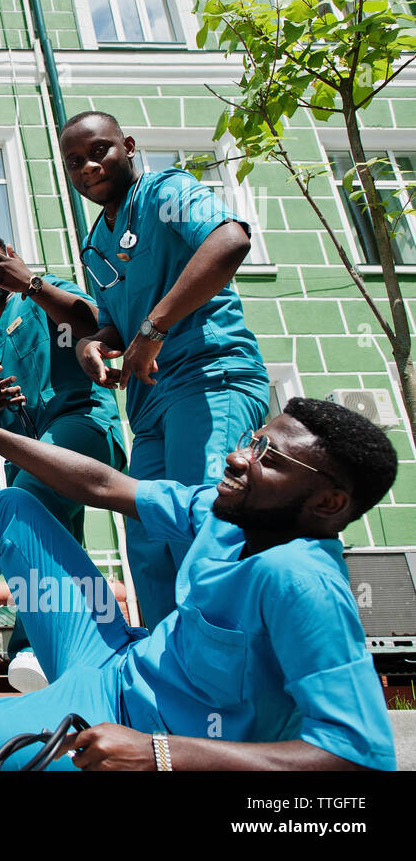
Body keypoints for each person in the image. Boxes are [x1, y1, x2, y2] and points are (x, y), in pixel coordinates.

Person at [0, 398, 397, 772]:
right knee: (12, 513)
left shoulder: (303, 583)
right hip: (112, 655)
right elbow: (106, 487)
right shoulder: (226, 510)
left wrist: (159, 755)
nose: (241, 458)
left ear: (328, 502)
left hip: (128, 724)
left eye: (270, 459)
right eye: (254, 439)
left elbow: (356, 755)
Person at [61, 111, 270, 627]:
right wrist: (93, 343)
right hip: (150, 407)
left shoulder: (165, 191)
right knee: (150, 541)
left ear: (129, 146)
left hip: (208, 378)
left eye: (99, 151)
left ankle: (227, 681)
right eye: (74, 162)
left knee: (206, 524)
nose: (88, 166)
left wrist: (153, 331)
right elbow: (114, 323)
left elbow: (229, 240)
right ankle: (165, 676)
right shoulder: (95, 245)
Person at [0, 230, 127, 690]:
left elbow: (94, 320)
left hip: (80, 426)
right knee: (58, 550)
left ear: (10, 258)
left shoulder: (43, 292)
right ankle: (96, 654)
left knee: (26, 509)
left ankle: (27, 645)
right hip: (24, 458)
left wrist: (30, 283)